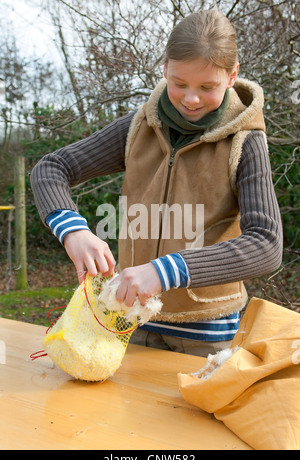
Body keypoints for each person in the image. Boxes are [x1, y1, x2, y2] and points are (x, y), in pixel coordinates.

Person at [30, 9, 283, 357]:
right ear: (165, 69)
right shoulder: (137, 129)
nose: (190, 99)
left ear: (232, 75)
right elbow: (51, 168)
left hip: (205, 335)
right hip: (128, 321)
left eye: (207, 87)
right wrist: (73, 230)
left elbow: (266, 244)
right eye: (180, 83)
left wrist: (165, 272)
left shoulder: (246, 142)